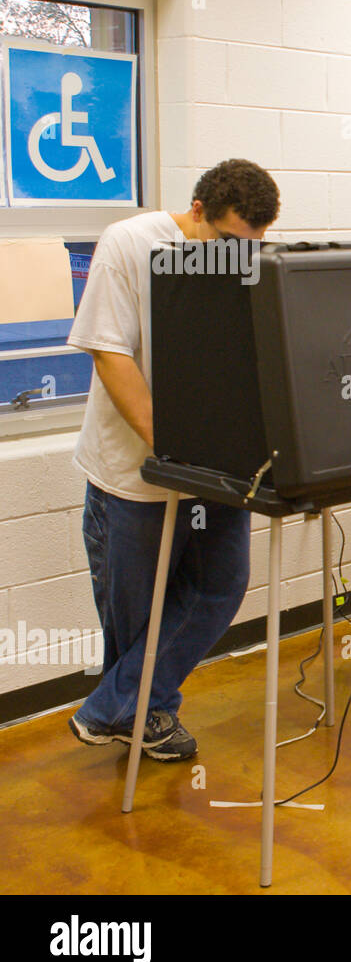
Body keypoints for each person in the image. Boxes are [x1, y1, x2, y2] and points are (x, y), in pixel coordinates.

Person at [67, 159, 280, 760]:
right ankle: (147, 718)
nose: (236, 255)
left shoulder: (245, 259)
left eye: (250, 246)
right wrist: (176, 446)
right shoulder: (128, 244)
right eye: (227, 241)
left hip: (213, 469)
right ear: (196, 213)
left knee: (220, 585)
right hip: (132, 473)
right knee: (134, 621)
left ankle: (111, 710)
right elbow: (110, 355)